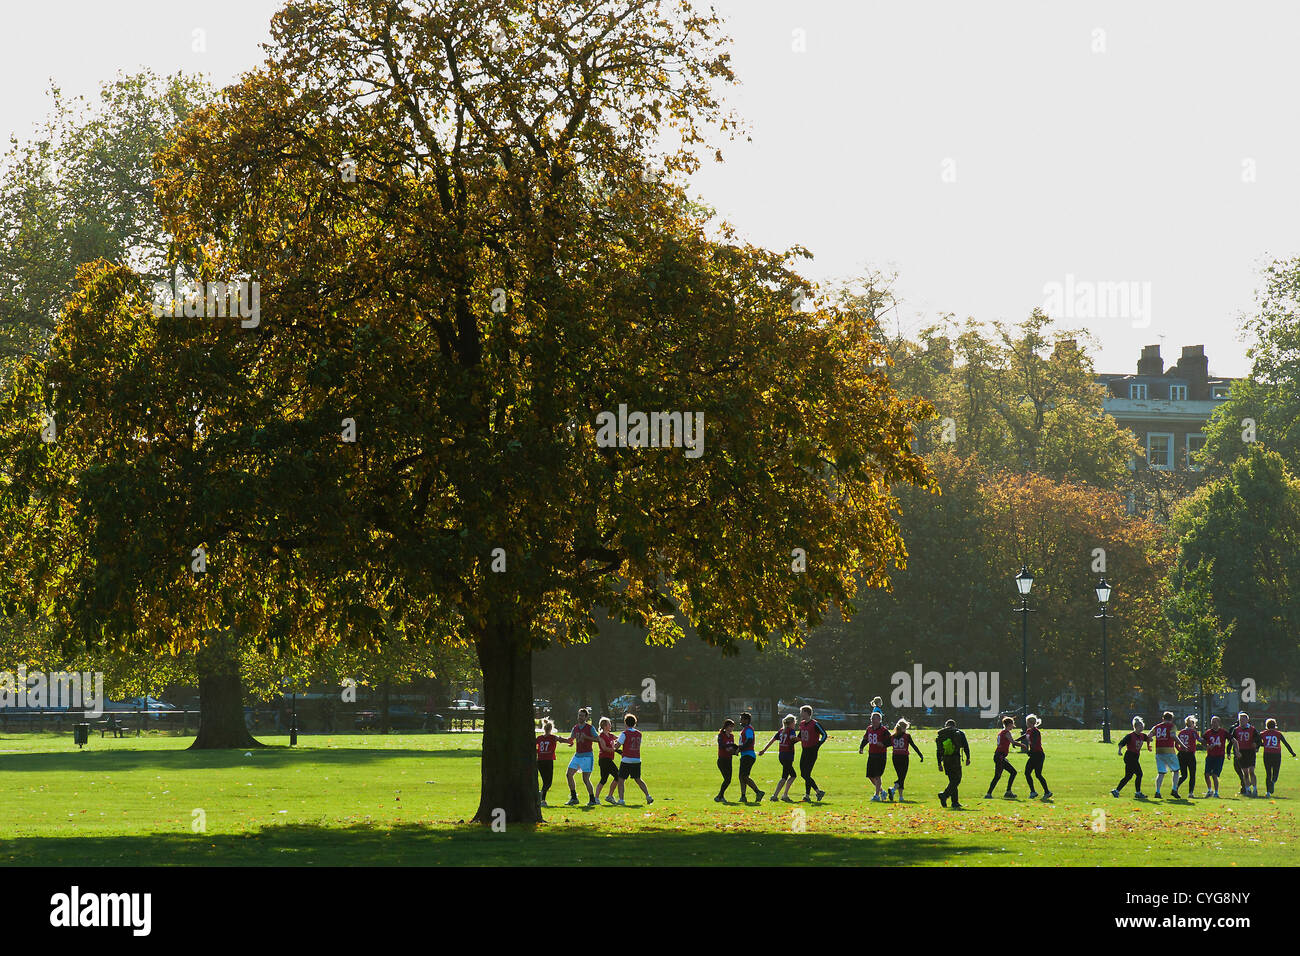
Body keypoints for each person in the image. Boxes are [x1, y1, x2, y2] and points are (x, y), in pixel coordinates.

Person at [564, 707, 601, 807]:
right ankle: (574, 797)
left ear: (586, 717)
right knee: (569, 774)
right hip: (577, 755)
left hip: (587, 756)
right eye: (579, 715)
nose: (580, 717)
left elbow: (598, 739)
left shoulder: (590, 728)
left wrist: (587, 737)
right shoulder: (575, 727)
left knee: (585, 779)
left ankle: (592, 799)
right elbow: (571, 738)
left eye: (582, 715)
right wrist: (569, 742)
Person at [759, 714, 800, 802]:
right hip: (788, 755)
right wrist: (801, 738)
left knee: (790, 775)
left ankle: (782, 795)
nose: (795, 725)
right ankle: (778, 795)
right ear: (792, 723)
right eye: (794, 723)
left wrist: (764, 750)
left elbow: (772, 740)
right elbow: (792, 738)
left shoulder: (781, 731)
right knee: (788, 776)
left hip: (781, 755)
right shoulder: (791, 730)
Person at [614, 713, 653, 806]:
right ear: (635, 723)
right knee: (638, 779)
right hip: (636, 759)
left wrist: (613, 745)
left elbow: (617, 746)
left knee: (621, 780)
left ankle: (621, 799)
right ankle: (648, 796)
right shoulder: (639, 734)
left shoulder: (624, 733)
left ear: (625, 723)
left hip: (626, 760)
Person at [1112, 717, 1151, 798]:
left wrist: (1150, 741)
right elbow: (1121, 743)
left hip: (1135, 757)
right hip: (1129, 756)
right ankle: (1138, 793)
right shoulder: (1130, 736)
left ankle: (1116, 791)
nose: (1141, 729)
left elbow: (1149, 738)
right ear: (1135, 727)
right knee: (1139, 774)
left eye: (1142, 727)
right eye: (1140, 727)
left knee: (1128, 776)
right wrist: (1119, 751)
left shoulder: (1142, 736)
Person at [935, 719, 971, 808]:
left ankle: (954, 802)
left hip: (946, 759)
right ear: (954, 725)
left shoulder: (941, 734)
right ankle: (945, 795)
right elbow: (965, 746)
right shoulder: (959, 733)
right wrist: (968, 757)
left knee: (952, 780)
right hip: (955, 758)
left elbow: (938, 750)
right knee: (957, 779)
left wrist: (939, 763)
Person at [887, 717, 923, 802]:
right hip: (903, 757)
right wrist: (920, 755)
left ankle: (900, 796)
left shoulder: (893, 736)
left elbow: (886, 744)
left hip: (895, 757)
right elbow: (913, 746)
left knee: (900, 776)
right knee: (902, 777)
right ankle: (893, 789)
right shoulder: (907, 736)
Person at [1016, 714, 1051, 800]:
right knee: (1027, 773)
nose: (1026, 724)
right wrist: (1015, 741)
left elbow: (1035, 743)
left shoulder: (1036, 731)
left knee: (1038, 774)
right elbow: (1025, 736)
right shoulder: (1029, 730)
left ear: (1031, 723)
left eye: (1027, 722)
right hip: (1034, 755)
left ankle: (1046, 792)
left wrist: (1030, 752)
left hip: (1038, 755)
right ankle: (1033, 792)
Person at [1150, 711, 1184, 798]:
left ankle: (1157, 792)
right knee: (1176, 770)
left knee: (1161, 772)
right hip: (1169, 751)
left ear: (1163, 718)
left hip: (1159, 751)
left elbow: (1149, 735)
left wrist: (1149, 743)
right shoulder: (1172, 726)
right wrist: (1182, 745)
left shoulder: (1157, 727)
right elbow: (1173, 736)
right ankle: (1174, 789)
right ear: (1172, 719)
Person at [797, 705, 828, 802]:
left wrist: (818, 744)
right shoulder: (802, 724)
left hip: (812, 751)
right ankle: (814, 793)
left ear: (807, 713)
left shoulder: (815, 724)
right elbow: (800, 736)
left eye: (802, 712)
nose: (801, 714)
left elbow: (824, 734)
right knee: (804, 774)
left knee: (806, 773)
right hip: (804, 750)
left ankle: (810, 794)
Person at [859, 712, 892, 802]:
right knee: (870, 775)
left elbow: (891, 741)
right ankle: (882, 791)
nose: (872, 720)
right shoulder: (869, 729)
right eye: (872, 719)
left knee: (877, 775)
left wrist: (883, 744)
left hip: (880, 755)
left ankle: (876, 795)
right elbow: (865, 739)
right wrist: (861, 747)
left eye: (874, 719)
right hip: (872, 754)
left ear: (879, 720)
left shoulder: (884, 730)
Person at [984, 715, 1019, 799]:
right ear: (1009, 724)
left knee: (1012, 772)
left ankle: (1008, 791)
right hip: (1000, 756)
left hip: (1000, 756)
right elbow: (1013, 742)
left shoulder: (1001, 732)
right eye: (1012, 724)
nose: (1013, 726)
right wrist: (1022, 745)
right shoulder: (1006, 732)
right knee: (998, 776)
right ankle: (988, 794)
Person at [1260, 718, 1296, 797]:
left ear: (1267, 725)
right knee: (1276, 772)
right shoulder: (1278, 734)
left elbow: (1258, 742)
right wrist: (1292, 752)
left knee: (1268, 773)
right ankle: (1273, 782)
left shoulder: (1263, 733)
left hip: (1267, 754)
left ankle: (1268, 792)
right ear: (1275, 725)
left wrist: (1264, 744)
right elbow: (1286, 743)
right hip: (1276, 755)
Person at [735, 712, 765, 803]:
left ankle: (758, 792)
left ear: (746, 720)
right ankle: (743, 796)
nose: (740, 720)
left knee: (744, 776)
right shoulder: (745, 729)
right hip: (745, 755)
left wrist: (740, 749)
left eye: (742, 719)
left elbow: (749, 741)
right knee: (741, 776)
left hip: (748, 755)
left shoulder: (748, 729)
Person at [1230, 712, 1261, 797]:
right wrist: (1236, 751)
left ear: (1247, 720)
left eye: (1243, 720)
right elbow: (1233, 741)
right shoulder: (1236, 730)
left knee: (1251, 771)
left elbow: (1258, 740)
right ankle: (1247, 789)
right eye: (1240, 720)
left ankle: (1255, 789)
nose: (1242, 721)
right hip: (1241, 752)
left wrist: (1256, 746)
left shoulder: (1252, 729)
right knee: (1245, 773)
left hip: (1250, 752)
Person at [535, 719, 565, 807]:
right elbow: (561, 739)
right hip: (548, 761)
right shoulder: (553, 737)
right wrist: (570, 741)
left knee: (545, 781)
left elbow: (534, 746)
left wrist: (538, 751)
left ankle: (542, 798)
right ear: (551, 728)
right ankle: (542, 798)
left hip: (540, 761)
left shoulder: (539, 738)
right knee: (548, 783)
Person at [1202, 715, 1230, 798]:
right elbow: (1203, 741)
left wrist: (1233, 750)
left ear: (1219, 723)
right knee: (1206, 774)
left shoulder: (1223, 732)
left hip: (1219, 756)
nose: (1213, 724)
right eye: (1212, 722)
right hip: (1210, 756)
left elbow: (1232, 740)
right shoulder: (1208, 732)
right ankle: (1210, 790)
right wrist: (1207, 746)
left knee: (1214, 775)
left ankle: (1216, 792)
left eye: (1215, 722)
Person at [595, 717, 621, 805]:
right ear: (604, 726)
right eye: (609, 724)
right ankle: (609, 796)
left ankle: (597, 798)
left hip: (608, 759)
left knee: (603, 779)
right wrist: (615, 749)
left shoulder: (610, 735)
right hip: (604, 760)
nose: (610, 725)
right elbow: (604, 748)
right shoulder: (601, 736)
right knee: (618, 776)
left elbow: (620, 739)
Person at [1176, 716, 1201, 799]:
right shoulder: (1193, 732)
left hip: (1181, 754)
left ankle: (1175, 788)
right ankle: (1190, 793)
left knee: (1183, 775)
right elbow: (1199, 740)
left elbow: (1176, 744)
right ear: (1192, 724)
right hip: (1190, 754)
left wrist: (1180, 749)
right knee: (1192, 774)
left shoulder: (1181, 732)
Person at [716, 718, 738, 803]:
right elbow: (721, 745)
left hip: (729, 760)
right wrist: (729, 748)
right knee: (727, 779)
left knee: (728, 780)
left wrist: (734, 751)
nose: (732, 728)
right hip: (722, 760)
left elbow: (732, 747)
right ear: (726, 727)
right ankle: (720, 796)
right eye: (730, 726)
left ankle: (719, 796)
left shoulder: (732, 736)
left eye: (733, 727)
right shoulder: (721, 735)